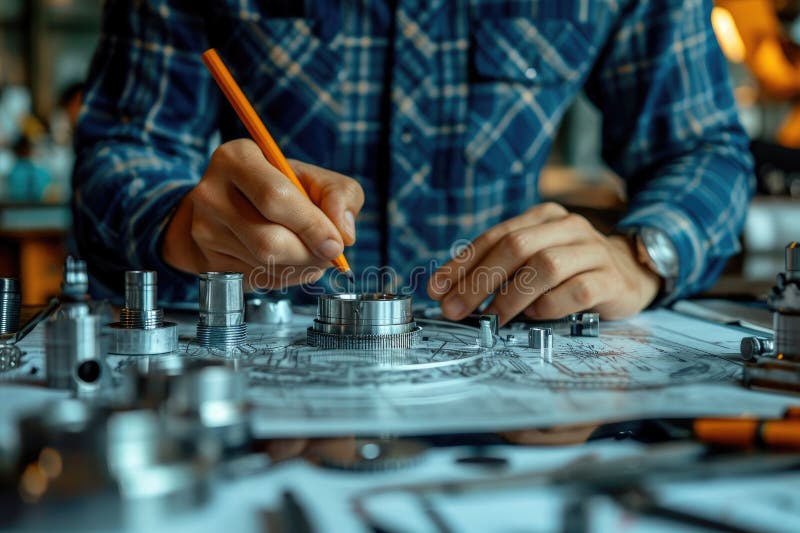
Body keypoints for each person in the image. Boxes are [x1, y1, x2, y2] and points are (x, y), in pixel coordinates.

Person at [73, 0, 753, 325]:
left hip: (503, 384)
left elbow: (704, 151)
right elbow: (123, 149)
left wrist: (642, 256)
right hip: (247, 378)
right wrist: (182, 222)